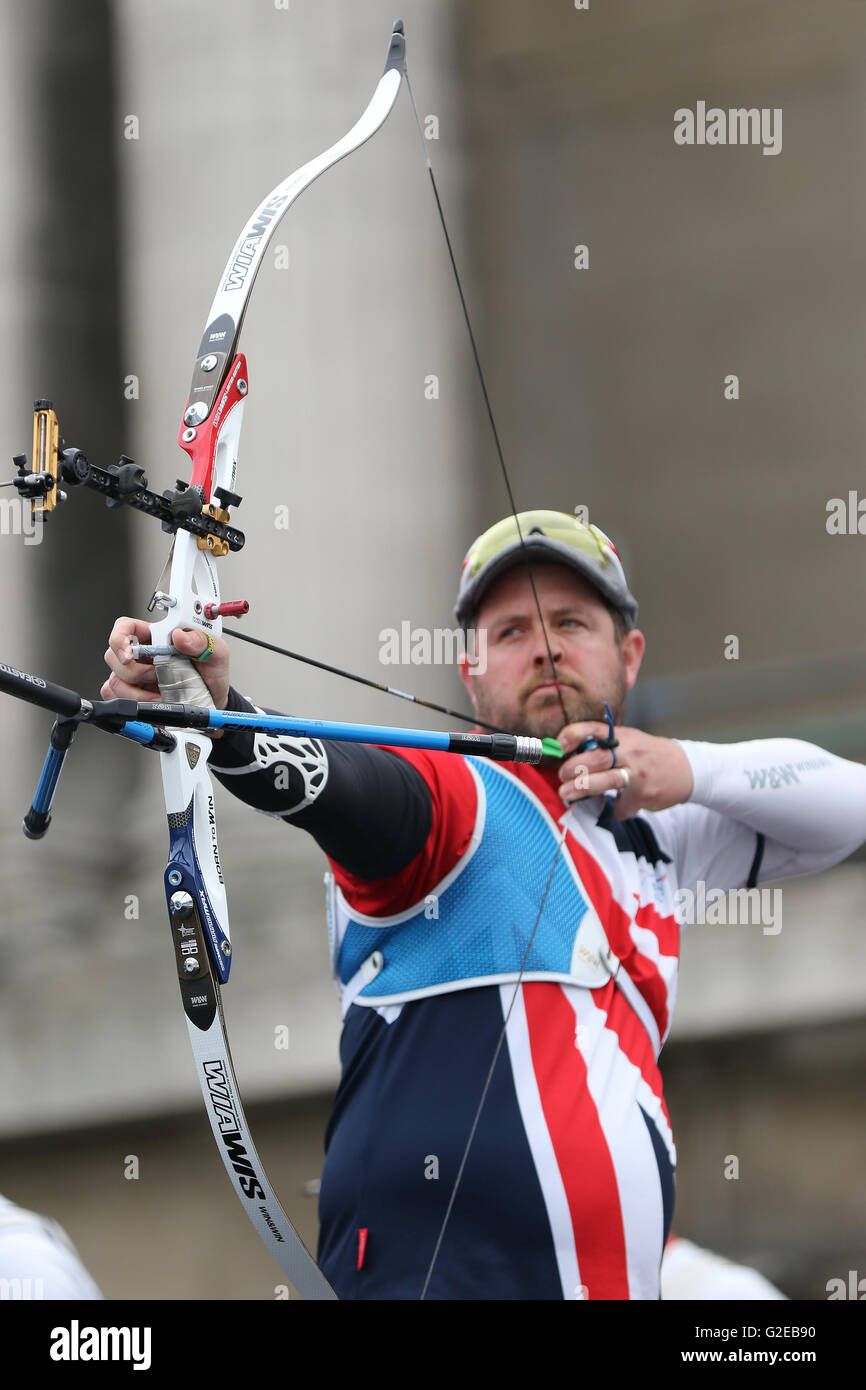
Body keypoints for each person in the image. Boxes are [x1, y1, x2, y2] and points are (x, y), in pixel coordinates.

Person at [101, 509, 866, 1299]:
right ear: (471, 673)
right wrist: (224, 721)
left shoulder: (666, 834)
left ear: (629, 656)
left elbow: (850, 807)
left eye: (571, 622)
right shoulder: (457, 798)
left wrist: (687, 767)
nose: (545, 647)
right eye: (510, 632)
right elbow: (350, 788)